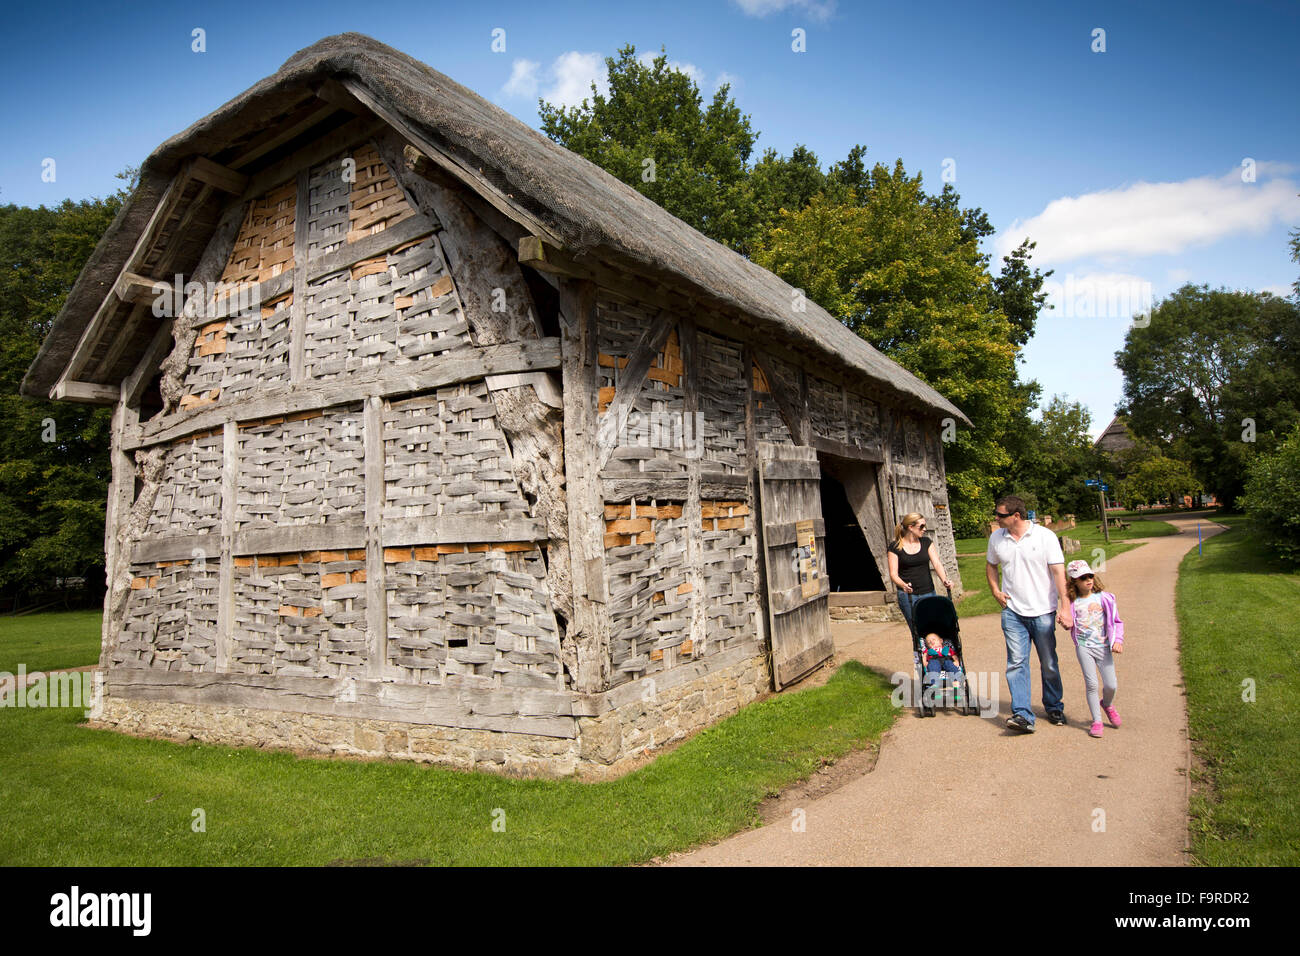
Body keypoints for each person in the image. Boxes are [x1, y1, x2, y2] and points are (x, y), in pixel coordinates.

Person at [985, 495, 1073, 733]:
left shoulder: (1045, 537)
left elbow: (1058, 573)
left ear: (1016, 515)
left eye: (1000, 515)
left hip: (1043, 611)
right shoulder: (996, 538)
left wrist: (1065, 606)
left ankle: (1054, 706)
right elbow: (991, 565)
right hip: (1013, 611)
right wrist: (995, 590)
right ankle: (1022, 714)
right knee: (1016, 663)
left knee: (1049, 662)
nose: (996, 518)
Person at [1060, 560, 1124, 738]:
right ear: (1074, 582)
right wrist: (1066, 623)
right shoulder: (1073, 603)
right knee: (1092, 684)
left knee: (1111, 685)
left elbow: (1117, 622)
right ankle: (1096, 721)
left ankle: (1107, 704)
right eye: (1083, 578)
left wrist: (1117, 640)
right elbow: (1071, 624)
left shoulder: (1105, 598)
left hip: (1103, 647)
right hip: (1084, 648)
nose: (1088, 580)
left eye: (1090, 576)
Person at [887, 512, 953, 635]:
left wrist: (945, 580)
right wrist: (903, 585)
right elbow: (893, 574)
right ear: (910, 528)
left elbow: (937, 564)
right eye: (921, 526)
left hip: (928, 592)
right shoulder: (895, 547)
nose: (925, 529)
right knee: (917, 633)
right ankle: (919, 654)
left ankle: (936, 654)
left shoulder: (926, 542)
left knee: (934, 630)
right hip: (908, 597)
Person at [922, 632, 965, 706]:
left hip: (946, 660)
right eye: (929, 642)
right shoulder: (928, 650)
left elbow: (953, 655)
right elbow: (924, 655)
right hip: (934, 660)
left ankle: (956, 686)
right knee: (933, 669)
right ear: (927, 646)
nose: (931, 642)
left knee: (952, 667)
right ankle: (935, 686)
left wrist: (956, 660)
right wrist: (924, 662)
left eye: (933, 639)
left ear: (941, 641)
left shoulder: (946, 648)